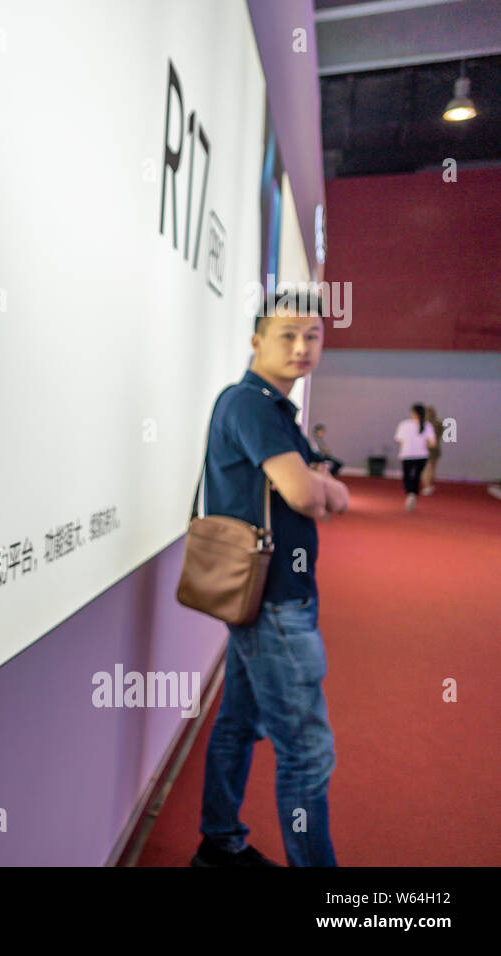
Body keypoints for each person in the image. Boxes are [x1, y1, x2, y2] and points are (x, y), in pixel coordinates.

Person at [191, 286, 348, 868]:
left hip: (263, 597)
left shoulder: (270, 406)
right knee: (308, 752)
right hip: (276, 602)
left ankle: (218, 844)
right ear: (257, 340)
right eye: (287, 335)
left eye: (313, 336)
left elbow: (307, 480)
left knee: (237, 722)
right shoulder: (253, 404)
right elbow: (307, 491)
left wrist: (319, 484)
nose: (302, 346)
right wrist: (330, 490)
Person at [394, 404, 436, 511]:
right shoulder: (427, 426)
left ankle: (409, 493)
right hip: (421, 455)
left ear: (413, 413)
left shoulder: (404, 424)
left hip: (407, 454)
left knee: (407, 476)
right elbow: (432, 443)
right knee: (416, 476)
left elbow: (400, 439)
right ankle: (414, 494)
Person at [420, 405, 443, 495]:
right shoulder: (438, 423)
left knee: (426, 468)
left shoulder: (424, 424)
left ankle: (427, 486)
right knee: (432, 467)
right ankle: (430, 485)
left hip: (426, 448)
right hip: (435, 447)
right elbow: (441, 434)